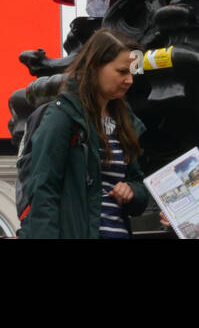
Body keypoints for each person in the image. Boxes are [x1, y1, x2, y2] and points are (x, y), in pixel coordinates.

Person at [20, 29, 150, 238]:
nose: (129, 80)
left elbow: (138, 183)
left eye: (132, 73)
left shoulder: (127, 121)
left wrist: (133, 191)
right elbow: (44, 189)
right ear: (95, 66)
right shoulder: (63, 115)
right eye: (122, 71)